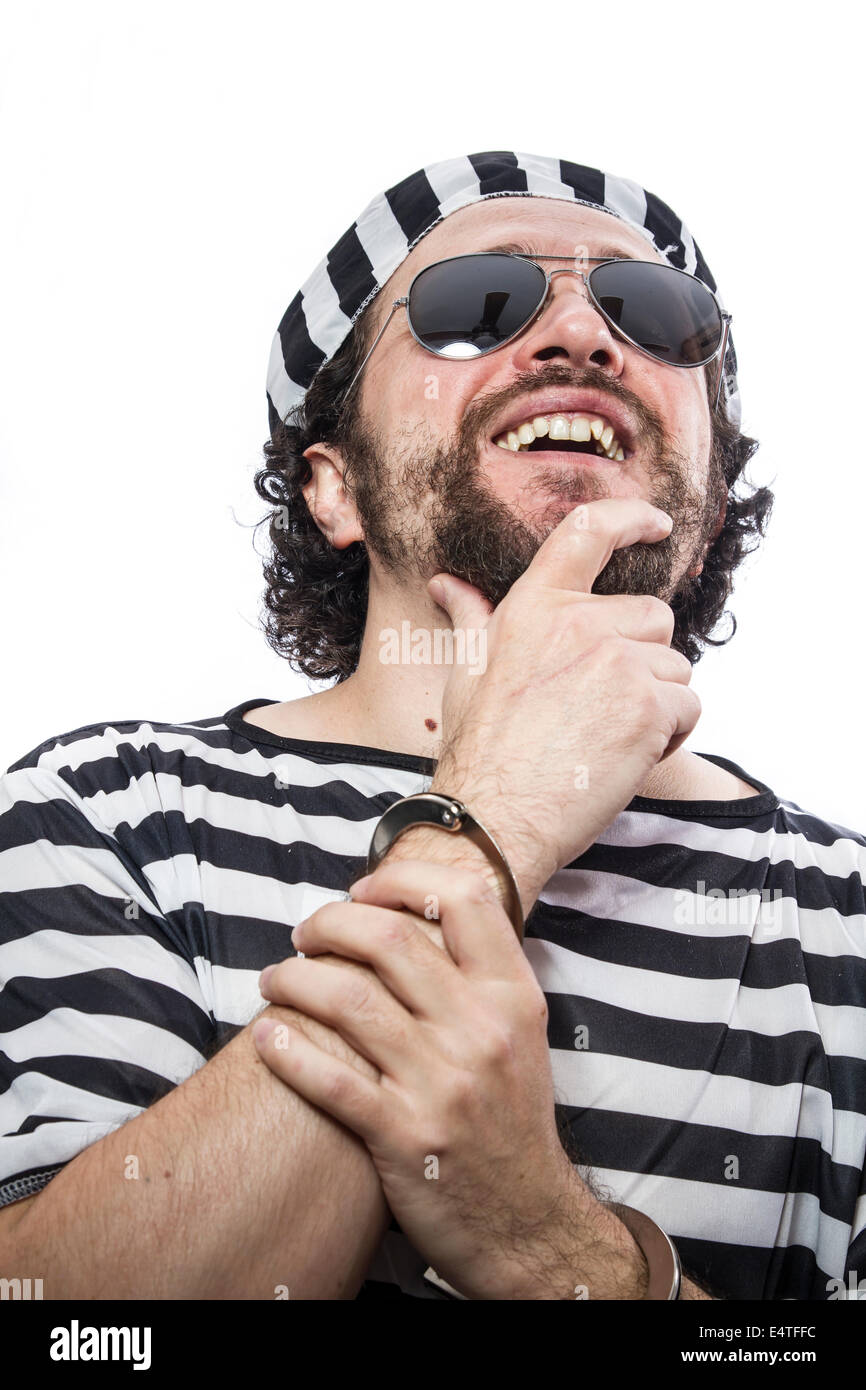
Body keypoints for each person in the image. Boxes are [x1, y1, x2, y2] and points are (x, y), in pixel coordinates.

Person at [1, 151, 863, 1302]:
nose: (581, 337)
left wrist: (551, 1249)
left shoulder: (843, 923)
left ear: (706, 499)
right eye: (477, 305)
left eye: (651, 313)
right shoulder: (108, 816)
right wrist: (489, 814)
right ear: (334, 485)